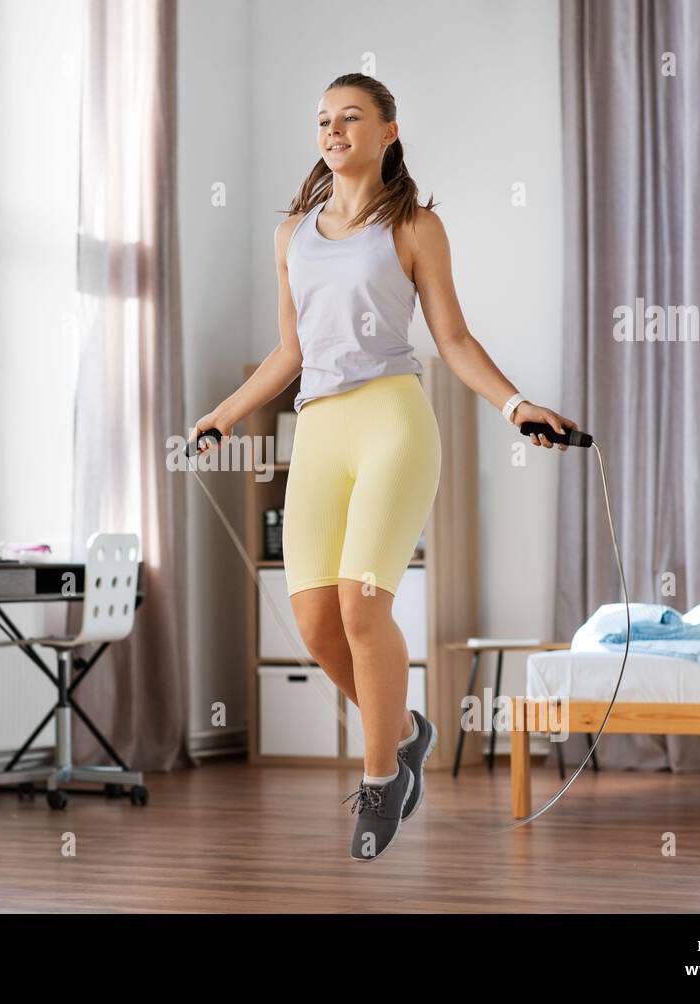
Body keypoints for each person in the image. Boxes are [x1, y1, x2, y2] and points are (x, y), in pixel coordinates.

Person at [189, 73, 576, 861]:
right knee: (313, 622)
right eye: (324, 120)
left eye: (351, 117)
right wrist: (224, 416)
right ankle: (406, 732)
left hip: (393, 421)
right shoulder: (291, 234)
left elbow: (455, 341)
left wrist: (516, 406)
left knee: (364, 607)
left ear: (388, 132)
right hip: (319, 430)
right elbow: (291, 352)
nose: (333, 130)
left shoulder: (414, 225)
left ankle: (381, 779)